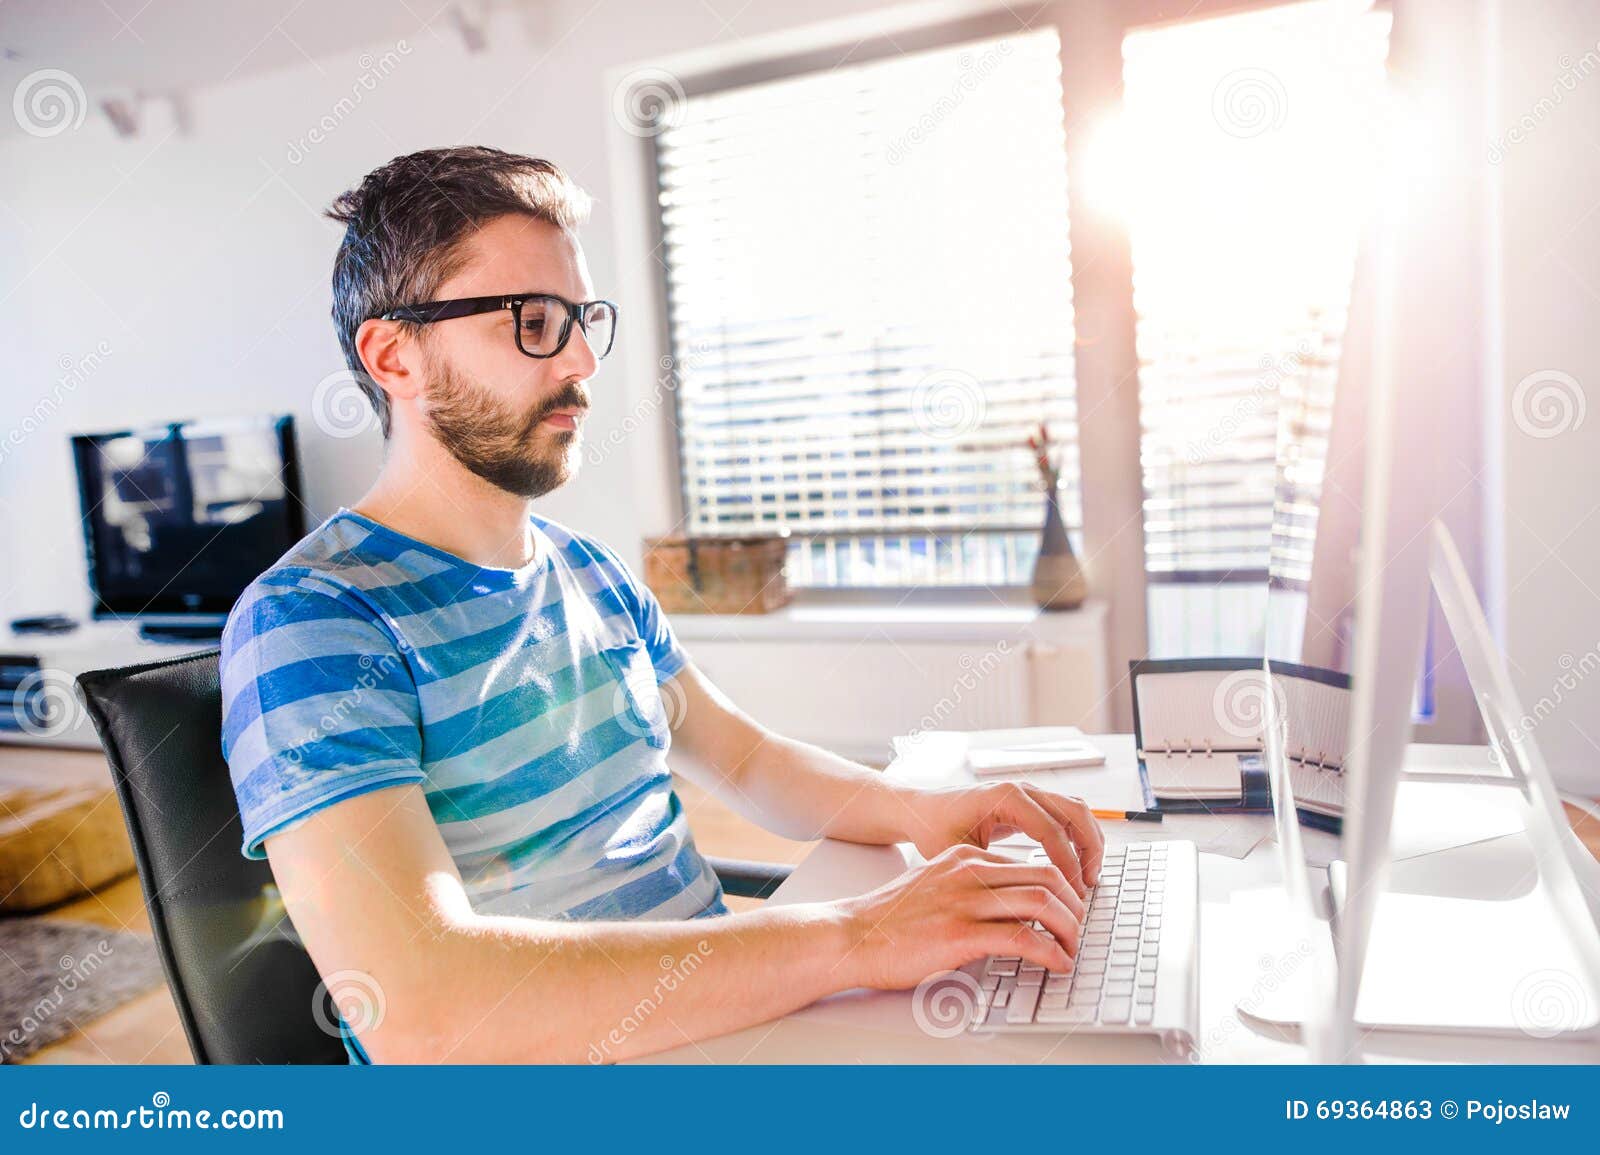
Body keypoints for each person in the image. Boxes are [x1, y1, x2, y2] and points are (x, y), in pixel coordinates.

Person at [220, 146, 1102, 1063]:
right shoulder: (312, 624)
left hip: (724, 1030)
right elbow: (423, 1012)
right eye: (530, 322)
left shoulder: (589, 574)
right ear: (394, 355)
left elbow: (749, 760)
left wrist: (927, 811)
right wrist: (861, 933)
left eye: (580, 319)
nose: (580, 363)